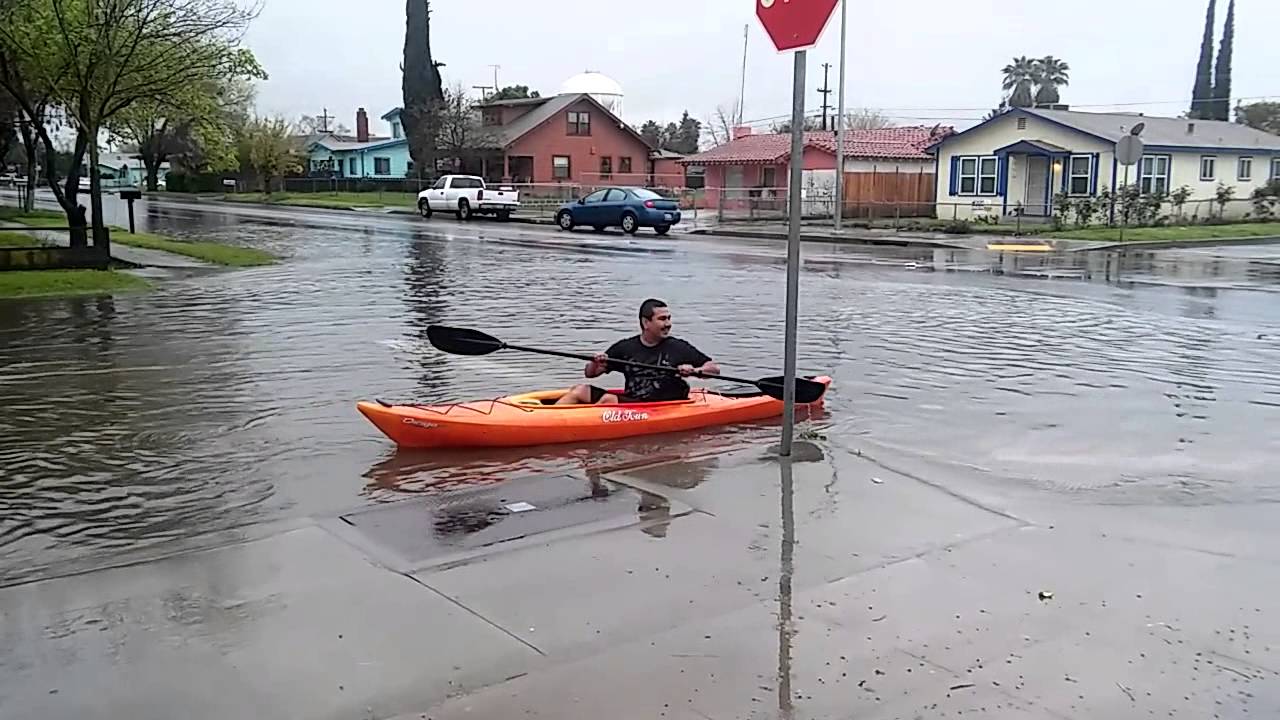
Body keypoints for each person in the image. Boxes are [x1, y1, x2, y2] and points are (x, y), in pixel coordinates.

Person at [556, 299, 720, 405]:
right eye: (662, 319)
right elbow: (590, 374)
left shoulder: (678, 347)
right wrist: (595, 362)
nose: (668, 324)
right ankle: (550, 420)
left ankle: (578, 429)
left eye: (669, 318)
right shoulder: (626, 347)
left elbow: (714, 369)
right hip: (633, 402)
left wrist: (695, 371)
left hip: (664, 405)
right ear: (646, 322)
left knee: (608, 400)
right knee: (579, 390)